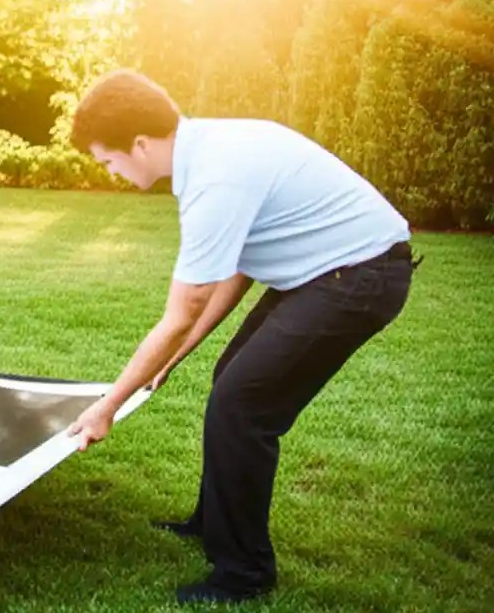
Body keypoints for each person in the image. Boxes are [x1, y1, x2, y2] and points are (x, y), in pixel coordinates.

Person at [64, 70, 417, 605]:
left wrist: (107, 406)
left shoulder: (215, 176)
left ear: (139, 145)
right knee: (232, 383)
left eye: (108, 160)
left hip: (358, 276)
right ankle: (213, 524)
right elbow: (233, 271)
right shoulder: (212, 148)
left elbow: (181, 311)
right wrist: (179, 356)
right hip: (331, 273)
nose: (110, 171)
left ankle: (243, 574)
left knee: (242, 407)